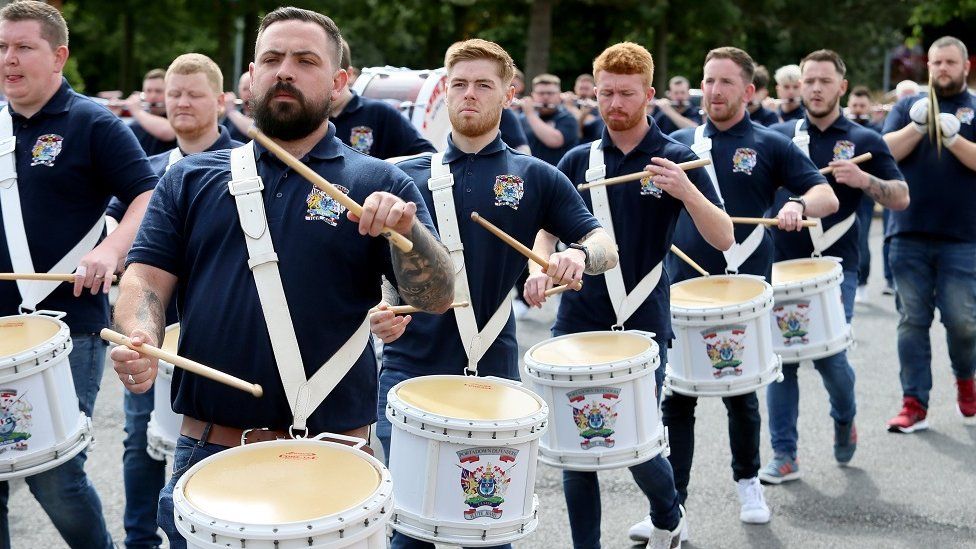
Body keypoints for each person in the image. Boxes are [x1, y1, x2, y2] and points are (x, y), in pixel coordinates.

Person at [108, 8, 454, 548]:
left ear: (338, 81)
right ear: (251, 76)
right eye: (271, 59)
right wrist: (141, 335)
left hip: (334, 455)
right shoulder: (191, 178)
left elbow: (436, 297)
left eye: (305, 60)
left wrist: (408, 235)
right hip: (210, 450)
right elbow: (146, 278)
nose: (285, 71)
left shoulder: (379, 181)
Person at [369, 38, 617, 549]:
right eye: (459, 84)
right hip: (409, 366)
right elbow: (374, 272)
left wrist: (577, 255)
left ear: (509, 93)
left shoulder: (536, 177)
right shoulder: (404, 176)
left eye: (484, 84)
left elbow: (604, 245)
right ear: (444, 91)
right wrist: (379, 307)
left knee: (487, 529)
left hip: (492, 366)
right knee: (409, 530)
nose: (470, 94)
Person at [523, 42, 734, 549]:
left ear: (649, 94)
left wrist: (686, 190)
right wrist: (539, 266)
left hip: (644, 315)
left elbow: (724, 237)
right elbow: (546, 232)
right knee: (576, 447)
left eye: (626, 93)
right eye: (606, 93)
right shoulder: (578, 159)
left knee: (637, 440)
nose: (614, 103)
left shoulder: (677, 157)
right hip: (579, 315)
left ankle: (668, 514)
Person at [0, 2, 157, 547]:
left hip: (68, 327)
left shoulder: (92, 122)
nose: (8, 58)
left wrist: (111, 251)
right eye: (1, 47)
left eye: (23, 47)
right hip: (0, 327)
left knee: (56, 475)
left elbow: (147, 194)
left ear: (58, 56)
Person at [667, 46, 838, 530]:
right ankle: (672, 505)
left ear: (748, 91)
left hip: (742, 289)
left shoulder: (770, 143)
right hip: (683, 287)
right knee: (676, 399)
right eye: (708, 81)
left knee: (740, 394)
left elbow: (825, 194)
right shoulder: (677, 143)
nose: (714, 91)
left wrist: (798, 204)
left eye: (725, 82)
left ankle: (748, 483)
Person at [107, 52, 243, 549]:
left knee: (210, 452)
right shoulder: (148, 171)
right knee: (139, 440)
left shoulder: (248, 167)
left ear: (221, 101)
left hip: (216, 340)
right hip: (151, 332)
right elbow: (116, 229)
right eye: (174, 94)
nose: (181, 102)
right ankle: (139, 540)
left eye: (194, 94)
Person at [760, 50, 908, 484]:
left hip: (836, 268)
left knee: (830, 358)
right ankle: (784, 453)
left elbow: (900, 197)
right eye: (809, 80)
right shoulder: (778, 136)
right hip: (782, 267)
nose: (816, 88)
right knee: (781, 361)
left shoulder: (865, 139)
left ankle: (845, 418)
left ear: (841, 87)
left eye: (825, 81)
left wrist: (864, 181)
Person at [882, 36, 976, 432]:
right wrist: (917, 127)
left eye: (950, 62)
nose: (942, 69)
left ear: (966, 66)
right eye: (936, 62)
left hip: (964, 235)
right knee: (912, 320)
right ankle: (914, 403)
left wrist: (954, 139)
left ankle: (966, 380)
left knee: (963, 322)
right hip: (908, 231)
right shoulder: (907, 106)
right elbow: (883, 152)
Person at [330, 39, 436, 158]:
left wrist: (386, 167)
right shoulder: (314, 119)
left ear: (348, 75)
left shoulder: (379, 113)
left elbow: (428, 156)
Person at [845, 85, 885, 302]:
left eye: (862, 106)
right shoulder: (842, 128)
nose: (858, 109)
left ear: (868, 107)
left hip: (864, 195)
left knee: (861, 239)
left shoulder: (874, 132)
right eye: (855, 105)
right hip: (841, 192)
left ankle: (862, 282)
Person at [520, 73, 580, 165]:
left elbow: (554, 141)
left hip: (559, 171)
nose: (545, 97)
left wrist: (530, 115)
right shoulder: (522, 119)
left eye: (550, 93)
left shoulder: (568, 118)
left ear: (559, 95)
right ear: (533, 95)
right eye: (541, 93)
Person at [125, 68, 177, 155]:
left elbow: (169, 132)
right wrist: (112, 115)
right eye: (148, 91)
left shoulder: (177, 117)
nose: (153, 96)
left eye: (158, 91)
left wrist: (137, 111)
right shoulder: (136, 124)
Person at [222, 71, 253, 142]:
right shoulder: (229, 118)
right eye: (245, 89)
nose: (248, 94)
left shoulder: (266, 115)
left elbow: (255, 130)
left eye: (252, 88)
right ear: (239, 91)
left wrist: (231, 111)